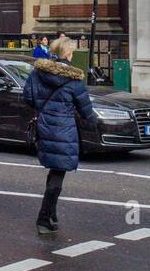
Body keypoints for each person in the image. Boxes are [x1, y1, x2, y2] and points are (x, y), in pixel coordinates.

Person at [22, 33, 99, 236]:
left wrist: (44, 108)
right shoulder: (73, 79)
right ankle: (43, 219)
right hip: (63, 130)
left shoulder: (38, 73)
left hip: (45, 127)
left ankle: (51, 215)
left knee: (54, 171)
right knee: (58, 175)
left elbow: (28, 97)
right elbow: (86, 112)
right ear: (69, 53)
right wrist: (96, 124)